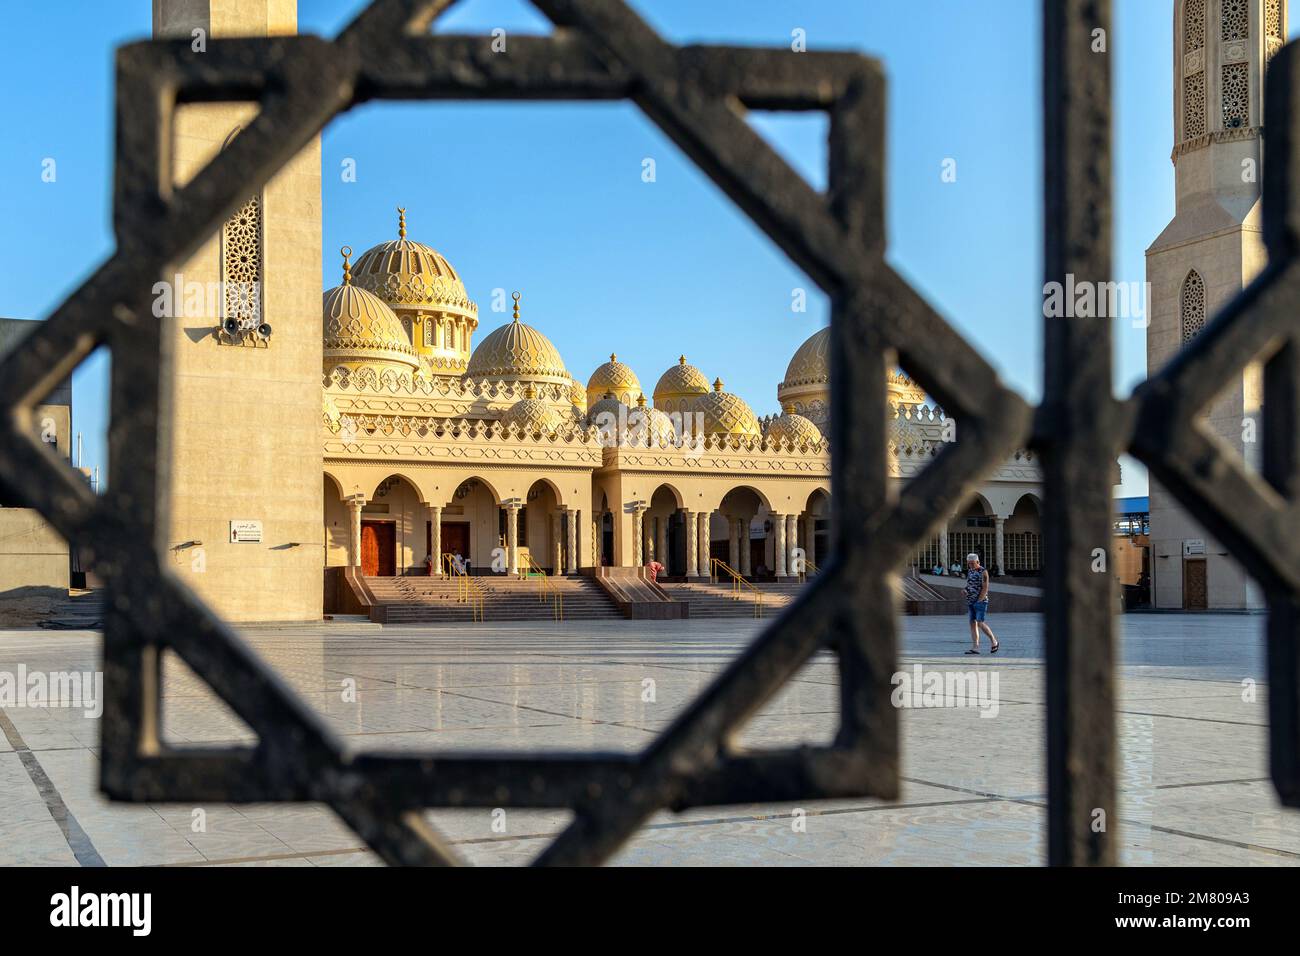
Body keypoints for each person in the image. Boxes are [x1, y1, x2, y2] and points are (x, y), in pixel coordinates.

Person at [963, 552, 999, 655]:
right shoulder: (970, 571)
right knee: (972, 624)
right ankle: (976, 647)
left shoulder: (983, 572)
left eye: (973, 563)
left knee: (980, 623)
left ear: (978, 561)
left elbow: (985, 587)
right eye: (969, 563)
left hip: (981, 601)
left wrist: (979, 601)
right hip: (970, 600)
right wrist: (965, 590)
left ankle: (994, 641)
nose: (971, 565)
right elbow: (970, 584)